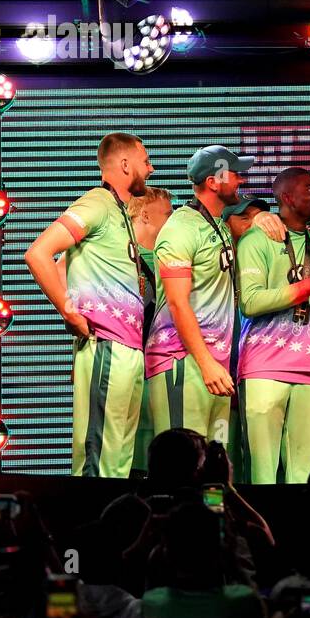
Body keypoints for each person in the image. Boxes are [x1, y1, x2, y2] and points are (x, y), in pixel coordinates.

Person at [24, 132, 155, 477]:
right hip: (107, 345)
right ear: (125, 164)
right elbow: (38, 253)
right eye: (146, 160)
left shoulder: (119, 213)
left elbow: (61, 265)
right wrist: (68, 310)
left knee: (118, 459)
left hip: (127, 347)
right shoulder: (97, 201)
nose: (151, 168)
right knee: (97, 459)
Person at [236, 167, 310, 483]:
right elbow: (251, 303)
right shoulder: (255, 241)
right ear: (287, 197)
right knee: (262, 474)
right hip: (264, 367)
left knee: (306, 474)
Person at [145, 145, 257, 442]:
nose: (241, 181)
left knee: (212, 467)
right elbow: (177, 303)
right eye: (235, 174)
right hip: (182, 363)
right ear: (213, 181)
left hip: (214, 366)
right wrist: (206, 363)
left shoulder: (217, 224)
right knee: (181, 466)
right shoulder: (181, 228)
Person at [126, 186, 173, 472]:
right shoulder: (118, 251)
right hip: (126, 365)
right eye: (168, 214)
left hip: (157, 367)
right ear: (145, 214)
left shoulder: (166, 257)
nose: (174, 220)